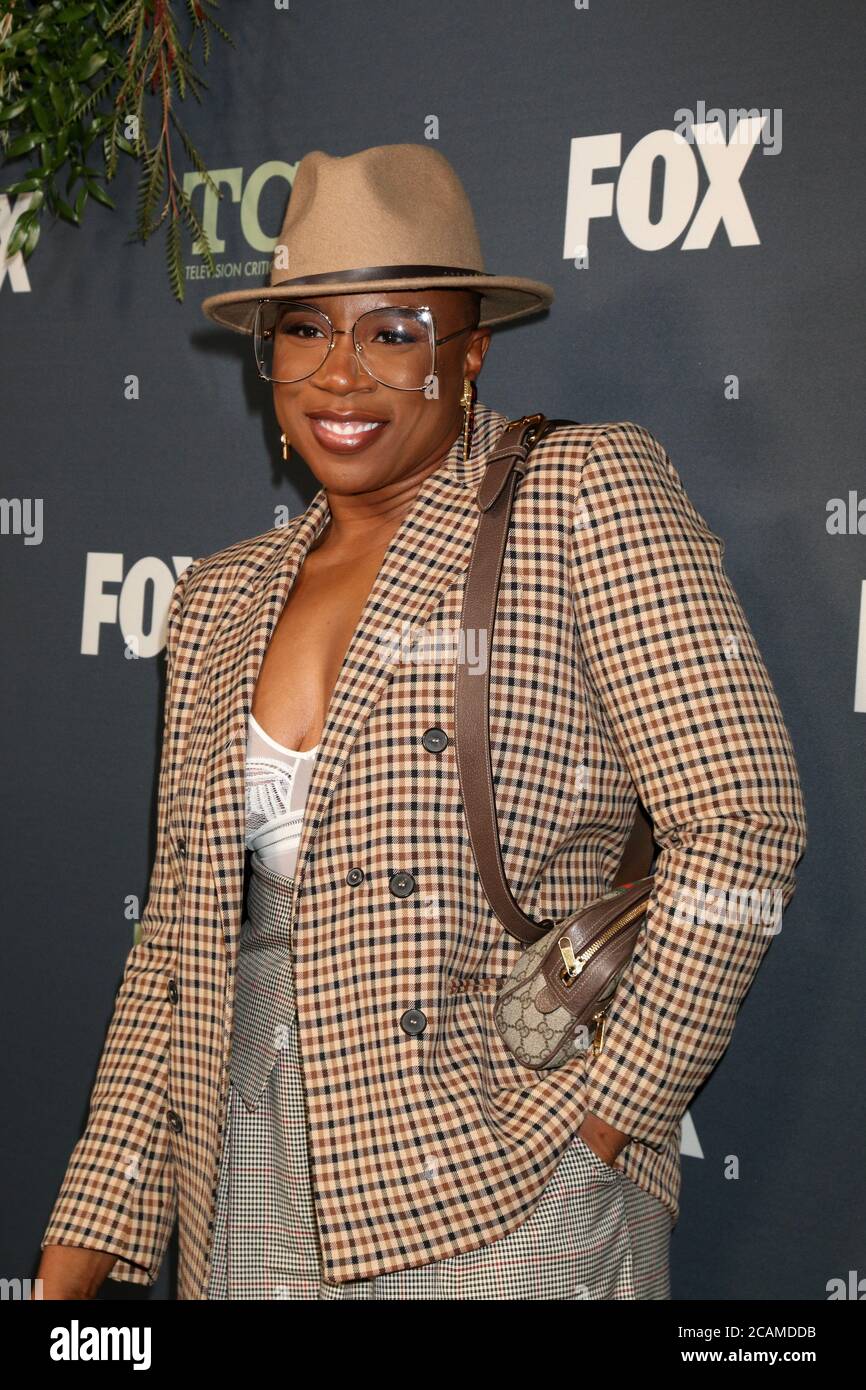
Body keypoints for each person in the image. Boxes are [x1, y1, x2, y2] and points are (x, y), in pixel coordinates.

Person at [37, 143, 807, 1300]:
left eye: (393, 330)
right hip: (246, 1161)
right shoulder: (215, 597)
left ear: (468, 353)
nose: (339, 374)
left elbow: (741, 824)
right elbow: (175, 952)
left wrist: (605, 1127)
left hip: (504, 1169)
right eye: (304, 327)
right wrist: (75, 1256)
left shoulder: (578, 495)